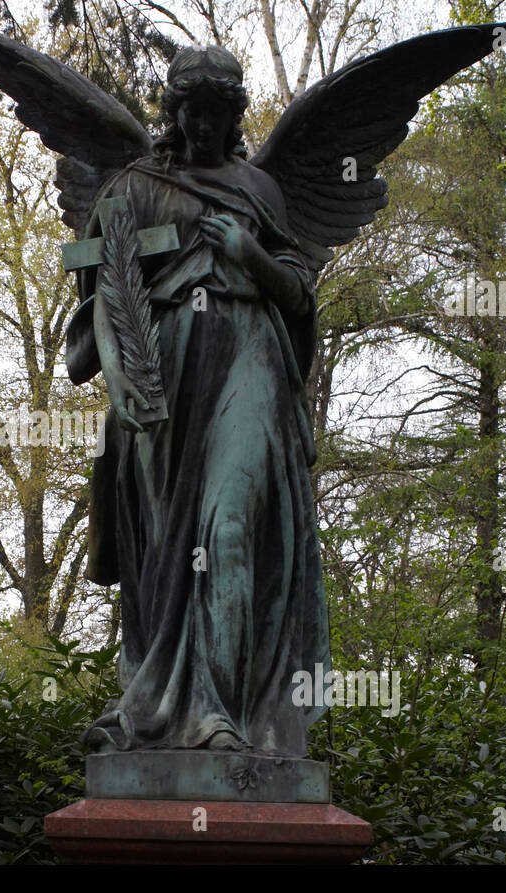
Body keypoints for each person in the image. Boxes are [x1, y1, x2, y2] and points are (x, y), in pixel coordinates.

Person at [73, 45, 331, 756]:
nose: (206, 125)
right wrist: (121, 370)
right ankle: (160, 703)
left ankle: (222, 711)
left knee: (228, 529)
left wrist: (250, 255)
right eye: (193, 111)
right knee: (165, 548)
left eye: (219, 113)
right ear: (174, 112)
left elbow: (300, 296)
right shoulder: (136, 184)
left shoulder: (258, 190)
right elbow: (100, 290)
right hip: (164, 376)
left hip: (249, 357)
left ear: (235, 116)